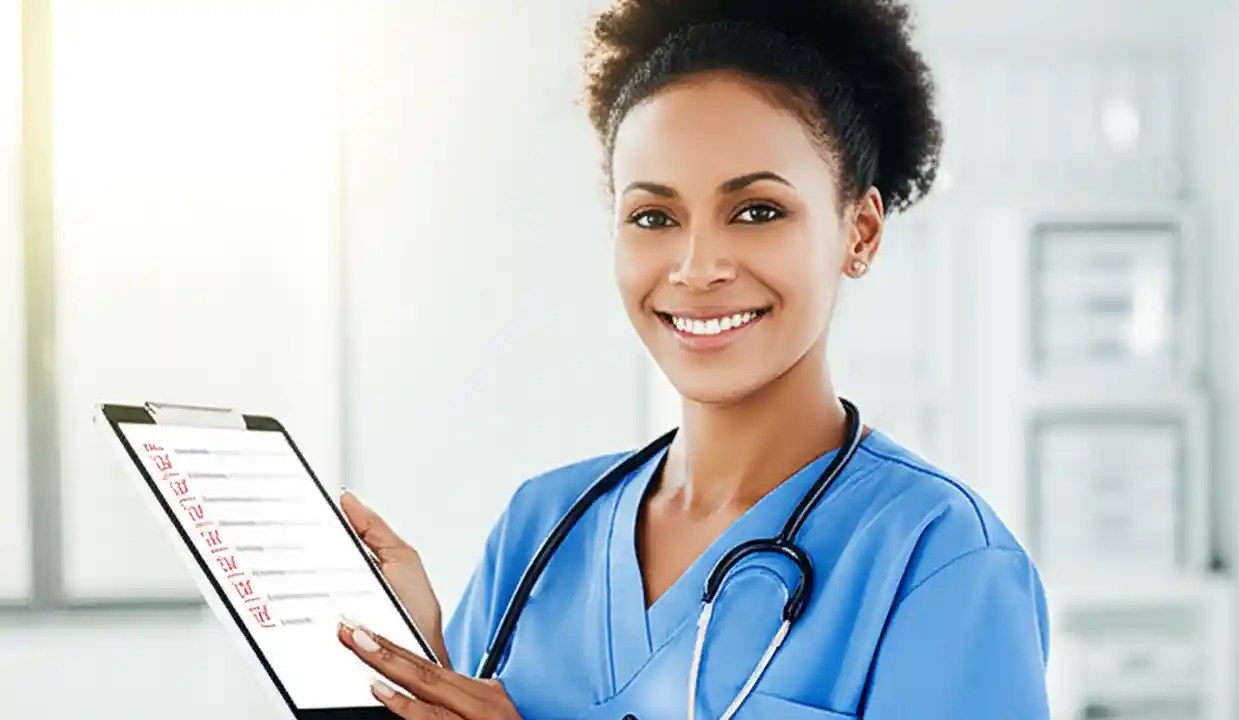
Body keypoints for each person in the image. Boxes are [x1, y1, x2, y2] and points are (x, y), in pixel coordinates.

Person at [334, 0, 1051, 717]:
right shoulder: (541, 530)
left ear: (859, 232)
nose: (696, 267)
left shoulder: (940, 561)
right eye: (654, 217)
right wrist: (416, 659)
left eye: (758, 211)